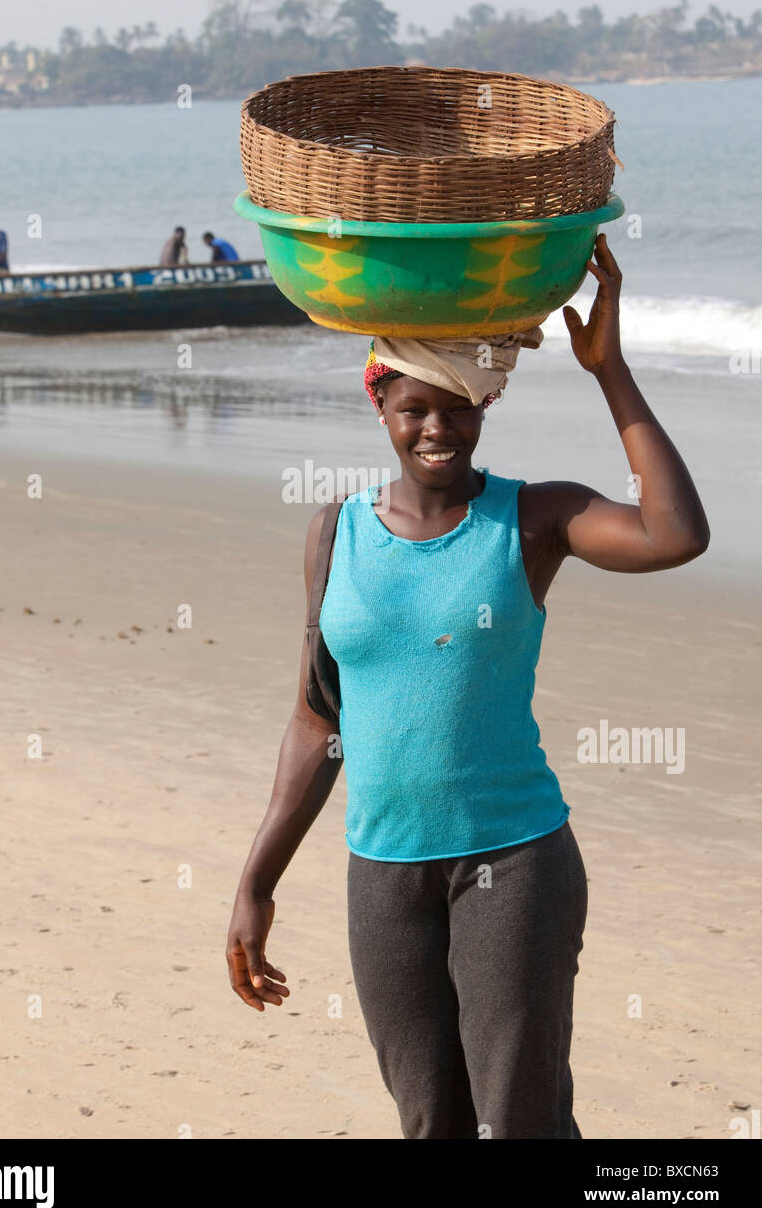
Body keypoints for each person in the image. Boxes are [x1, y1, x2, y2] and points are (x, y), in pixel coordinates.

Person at [226, 236, 710, 1140]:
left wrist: (609, 369)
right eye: (416, 410)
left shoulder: (533, 518)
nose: (437, 430)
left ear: (485, 410)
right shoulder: (334, 534)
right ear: (378, 402)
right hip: (382, 873)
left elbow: (675, 534)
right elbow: (315, 720)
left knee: (518, 1122)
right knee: (430, 1121)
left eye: (459, 411)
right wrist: (257, 881)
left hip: (515, 863)